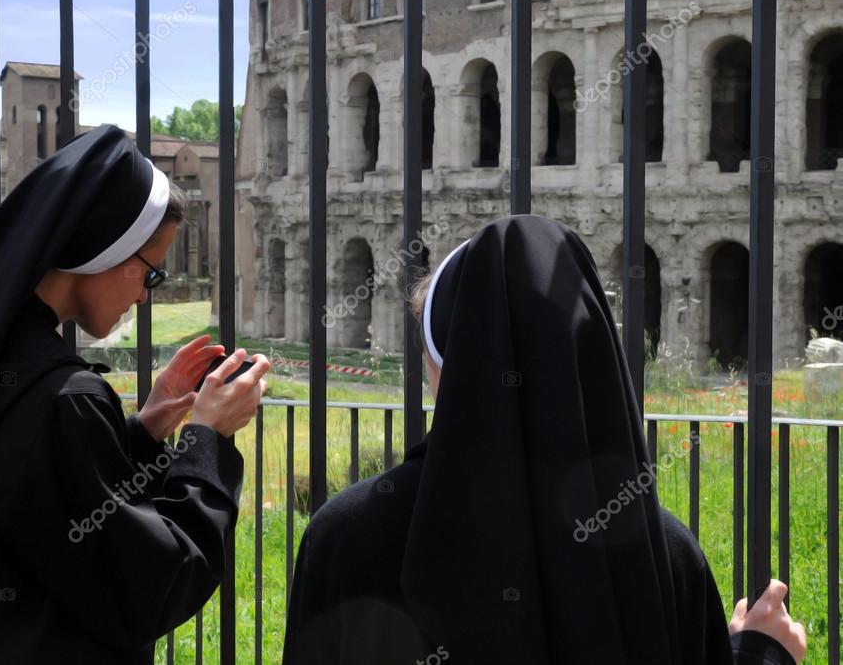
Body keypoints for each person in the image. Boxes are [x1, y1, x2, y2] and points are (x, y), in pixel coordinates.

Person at [282, 215, 806, 665]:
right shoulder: (662, 553)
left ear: (441, 365)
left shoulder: (345, 536)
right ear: (593, 352)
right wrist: (760, 655)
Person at [0, 125, 270, 664]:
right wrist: (208, 441)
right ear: (104, 248)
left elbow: (30, 496)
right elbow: (154, 586)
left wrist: (145, 430)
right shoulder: (61, 398)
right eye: (150, 273)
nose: (144, 296)